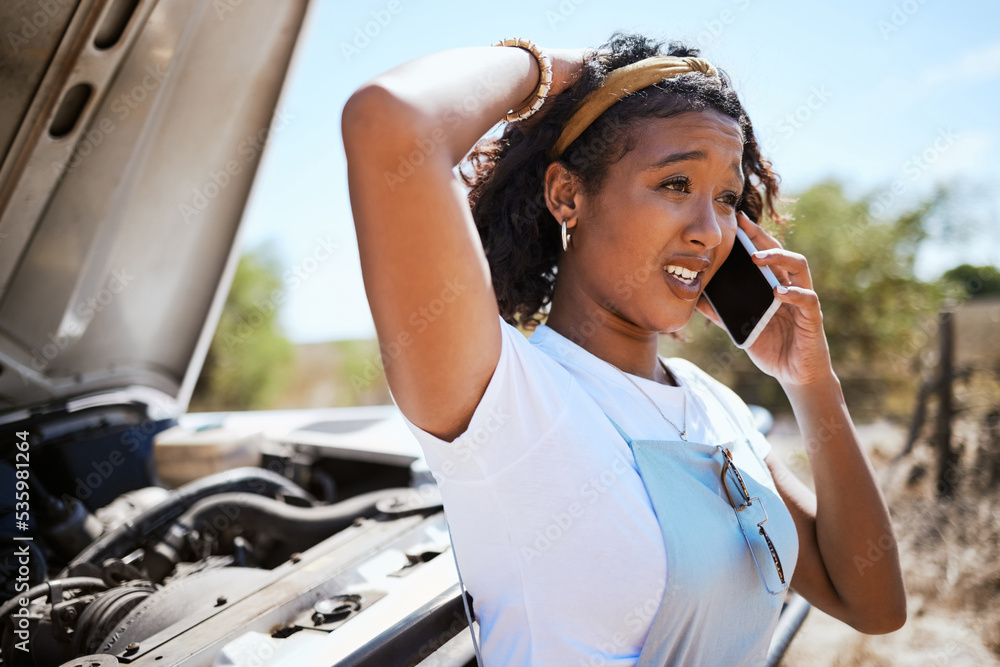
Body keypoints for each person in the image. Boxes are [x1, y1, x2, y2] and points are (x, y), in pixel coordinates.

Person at [342, 31, 906, 666]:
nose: (709, 231)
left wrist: (810, 382)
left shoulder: (713, 404)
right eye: (674, 184)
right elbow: (388, 121)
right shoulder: (504, 395)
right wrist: (559, 73)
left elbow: (873, 604)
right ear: (568, 196)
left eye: (725, 197)